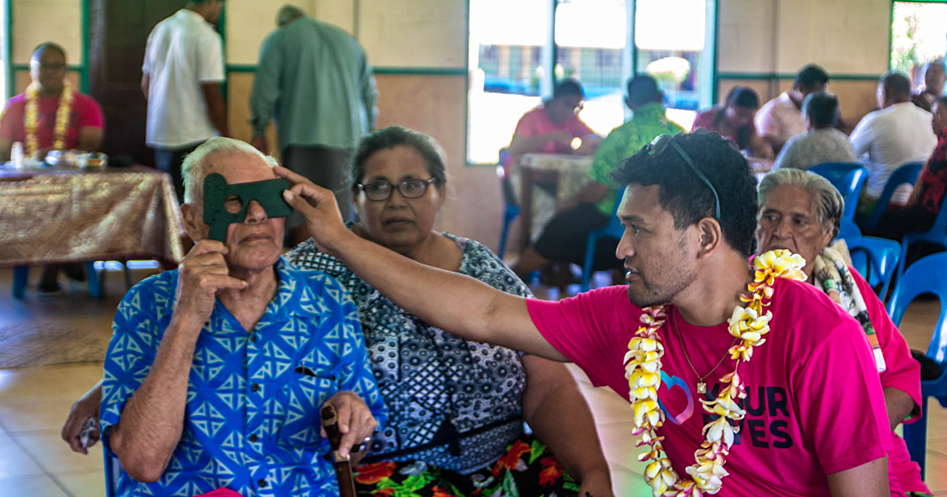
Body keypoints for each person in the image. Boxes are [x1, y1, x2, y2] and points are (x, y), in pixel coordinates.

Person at [278, 131, 893, 496]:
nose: (621, 250)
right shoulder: (630, 317)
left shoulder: (818, 336)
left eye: (637, 230)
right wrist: (342, 239)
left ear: (705, 237)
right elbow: (486, 311)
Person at [62, 128, 614, 497]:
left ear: (441, 193)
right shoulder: (316, 270)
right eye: (377, 187)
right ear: (351, 200)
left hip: (499, 459)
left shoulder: (465, 270)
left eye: (414, 185)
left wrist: (593, 471)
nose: (396, 200)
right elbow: (144, 448)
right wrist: (117, 387)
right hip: (400, 476)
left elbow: (547, 379)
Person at [97, 137, 384, 496]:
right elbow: (143, 463)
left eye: (268, 198)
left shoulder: (327, 300)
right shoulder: (148, 303)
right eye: (232, 200)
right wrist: (185, 320)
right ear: (192, 221)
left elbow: (355, 454)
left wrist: (351, 422)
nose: (256, 214)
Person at [756, 168, 927, 497]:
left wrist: (853, 439)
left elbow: (902, 380)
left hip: (866, 457)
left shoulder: (847, 288)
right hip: (778, 467)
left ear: (826, 233)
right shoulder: (740, 293)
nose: (779, 232)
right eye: (770, 217)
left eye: (798, 221)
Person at [512, 75, 684, 280]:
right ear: (661, 97)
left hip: (618, 224)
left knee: (558, 226)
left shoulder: (620, 136)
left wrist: (570, 203)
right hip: (666, 224)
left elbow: (596, 192)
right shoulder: (681, 136)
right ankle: (564, 274)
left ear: (629, 103)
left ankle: (514, 277)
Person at [249, 4, 378, 231]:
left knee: (302, 207)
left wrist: (259, 130)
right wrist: (369, 142)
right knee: (343, 213)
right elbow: (369, 96)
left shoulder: (280, 38)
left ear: (283, 22)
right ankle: (342, 265)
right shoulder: (349, 41)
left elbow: (265, 90)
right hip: (349, 141)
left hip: (301, 137)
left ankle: (304, 265)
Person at [0, 42, 105, 295]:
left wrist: (56, 156)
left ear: (65, 69)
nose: (49, 71)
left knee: (70, 200)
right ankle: (65, 261)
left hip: (75, 187)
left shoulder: (85, 105)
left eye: (56, 66)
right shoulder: (14, 107)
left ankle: (54, 265)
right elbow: (1, 151)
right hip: (27, 192)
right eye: (43, 65)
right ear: (32, 68)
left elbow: (90, 144)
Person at [142, 0, 228, 201]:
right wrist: (226, 137)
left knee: (169, 204)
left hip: (161, 133)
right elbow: (211, 94)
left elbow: (146, 84)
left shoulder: (160, 29)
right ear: (212, 2)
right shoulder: (206, 36)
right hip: (195, 135)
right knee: (197, 205)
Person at [850, 72, 937, 212]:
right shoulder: (930, 119)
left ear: (883, 93)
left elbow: (848, 154)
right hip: (920, 206)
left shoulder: (875, 120)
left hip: (880, 208)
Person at [866, 95, 947, 243]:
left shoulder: (945, 144)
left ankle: (885, 261)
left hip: (934, 213)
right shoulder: (941, 143)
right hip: (939, 213)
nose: (933, 119)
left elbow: (928, 178)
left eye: (939, 113)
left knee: (887, 220)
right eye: (933, 113)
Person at [503, 78, 600, 171]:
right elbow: (514, 149)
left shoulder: (572, 121)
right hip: (522, 174)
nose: (570, 111)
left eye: (576, 107)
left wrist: (589, 142)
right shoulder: (532, 119)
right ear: (554, 100)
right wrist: (551, 137)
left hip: (553, 176)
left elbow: (596, 138)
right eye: (567, 104)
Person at [755, 64, 830, 154]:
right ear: (801, 88)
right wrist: (802, 147)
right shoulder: (773, 110)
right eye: (815, 95)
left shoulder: (814, 110)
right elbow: (766, 143)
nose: (819, 100)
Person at [773, 92, 856, 171]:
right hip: (841, 186)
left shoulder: (797, 144)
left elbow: (773, 176)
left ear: (808, 118)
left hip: (810, 186)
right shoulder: (845, 141)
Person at [693, 86, 774, 158]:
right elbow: (695, 147)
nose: (744, 120)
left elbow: (757, 146)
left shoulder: (748, 124)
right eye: (740, 115)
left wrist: (764, 148)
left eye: (748, 116)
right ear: (729, 104)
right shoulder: (706, 119)